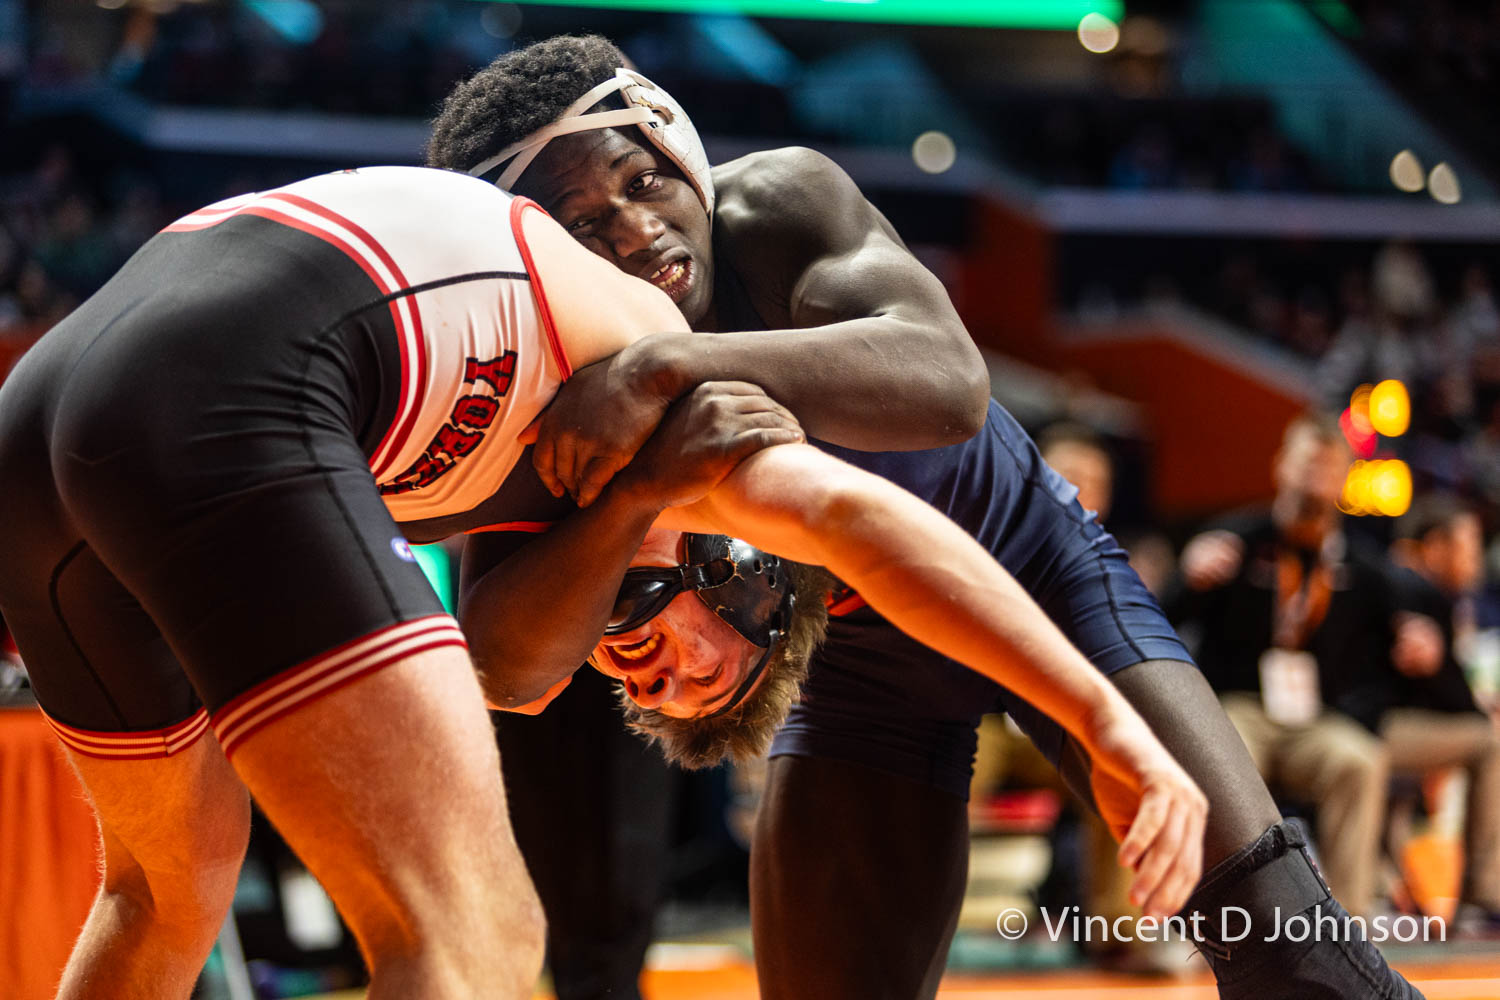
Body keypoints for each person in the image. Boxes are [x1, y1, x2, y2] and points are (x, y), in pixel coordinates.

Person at [0, 163, 1201, 999]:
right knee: (474, 927)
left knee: (164, 894)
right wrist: (1105, 718)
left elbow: (510, 675)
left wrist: (621, 509)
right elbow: (863, 522)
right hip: (223, 379)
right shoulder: (676, 419)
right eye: (640, 622)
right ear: (738, 568)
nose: (630, 634)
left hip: (49, 402)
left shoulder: (580, 490)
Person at [428, 35, 1421, 1000]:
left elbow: (948, 381)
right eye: (582, 223)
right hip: (866, 665)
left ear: (679, 147)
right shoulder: (541, 371)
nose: (635, 230)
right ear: (530, 252)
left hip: (1036, 575)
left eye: (639, 184)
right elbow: (505, 665)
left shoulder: (777, 208)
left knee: (1293, 959)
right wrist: (638, 489)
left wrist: (672, 365)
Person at [1165, 413, 1443, 919]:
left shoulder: (1365, 568)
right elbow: (1163, 619)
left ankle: (1352, 927)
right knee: (1226, 754)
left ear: (1345, 477)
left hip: (1316, 719)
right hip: (1241, 708)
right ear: (1280, 467)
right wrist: (1189, 578)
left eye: (1330, 462)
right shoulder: (1233, 539)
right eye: (1306, 459)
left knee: (1359, 761)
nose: (1317, 471)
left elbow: (1401, 648)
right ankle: (1230, 917)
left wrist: (1420, 647)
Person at [1388, 494, 1500, 922]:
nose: (1475, 561)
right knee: (1488, 741)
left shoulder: (1419, 590)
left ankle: (1391, 889)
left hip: (1384, 725)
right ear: (1434, 547)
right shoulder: (1411, 589)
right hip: (1374, 727)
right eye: (1468, 546)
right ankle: (1482, 893)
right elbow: (1452, 697)